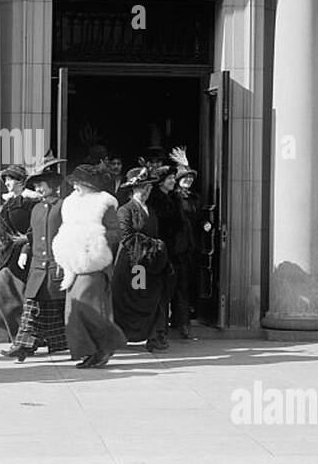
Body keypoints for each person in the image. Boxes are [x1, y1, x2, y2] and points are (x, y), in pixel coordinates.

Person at [52, 163, 125, 368]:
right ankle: (90, 351)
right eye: (74, 183)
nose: (75, 187)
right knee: (72, 311)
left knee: (90, 309)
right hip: (73, 264)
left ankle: (104, 347)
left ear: (89, 185)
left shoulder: (104, 203)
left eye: (78, 183)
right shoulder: (70, 203)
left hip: (94, 263)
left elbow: (116, 232)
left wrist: (95, 239)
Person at [3, 157, 68, 361]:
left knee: (50, 309)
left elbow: (69, 235)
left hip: (56, 267)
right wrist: (24, 251)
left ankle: (36, 345)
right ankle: (23, 344)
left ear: (53, 186)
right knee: (31, 306)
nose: (39, 189)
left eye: (42, 185)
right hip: (37, 267)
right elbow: (32, 234)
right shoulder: (37, 208)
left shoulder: (63, 206)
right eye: (37, 185)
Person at [112, 165, 173, 352]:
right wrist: (154, 245)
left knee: (153, 296)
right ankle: (126, 334)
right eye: (142, 187)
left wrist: (157, 250)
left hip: (150, 264)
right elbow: (127, 236)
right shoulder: (125, 210)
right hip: (133, 265)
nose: (147, 191)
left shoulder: (150, 210)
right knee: (135, 298)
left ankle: (154, 336)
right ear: (133, 189)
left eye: (148, 187)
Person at [0, 164, 36, 343]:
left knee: (10, 294)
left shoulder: (31, 203)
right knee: (0, 295)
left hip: (25, 256)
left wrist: (26, 245)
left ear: (21, 182)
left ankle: (23, 338)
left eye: (12, 179)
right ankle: (18, 337)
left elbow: (36, 229)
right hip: (8, 255)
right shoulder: (8, 203)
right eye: (6, 179)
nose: (8, 183)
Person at [167, 146, 208, 339]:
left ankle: (180, 319)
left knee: (186, 284)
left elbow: (198, 218)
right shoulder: (172, 198)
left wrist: (205, 224)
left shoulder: (196, 198)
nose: (189, 181)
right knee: (178, 285)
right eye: (185, 178)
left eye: (190, 178)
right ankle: (182, 323)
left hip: (191, 247)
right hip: (176, 247)